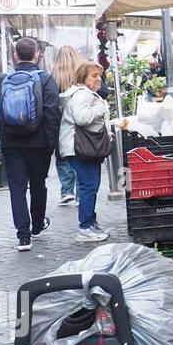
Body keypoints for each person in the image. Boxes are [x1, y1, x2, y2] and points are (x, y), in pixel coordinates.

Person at [0, 37, 61, 251]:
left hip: (11, 143)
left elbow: (0, 114)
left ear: (15, 55)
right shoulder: (46, 80)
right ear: (37, 55)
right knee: (38, 185)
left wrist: (4, 140)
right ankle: (37, 224)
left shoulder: (3, 80)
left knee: (16, 189)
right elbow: (52, 114)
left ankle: (23, 237)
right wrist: (51, 143)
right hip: (38, 143)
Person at [60, 61, 111, 244]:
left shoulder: (86, 94)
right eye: (94, 76)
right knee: (89, 185)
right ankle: (85, 227)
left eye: (100, 75)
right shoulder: (82, 95)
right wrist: (101, 108)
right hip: (80, 147)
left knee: (91, 185)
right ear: (83, 77)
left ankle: (90, 222)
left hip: (84, 147)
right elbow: (82, 119)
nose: (99, 79)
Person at [50, 46, 86, 205]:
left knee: (63, 155)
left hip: (60, 123)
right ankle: (80, 194)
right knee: (81, 155)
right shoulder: (83, 72)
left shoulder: (53, 76)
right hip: (80, 121)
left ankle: (66, 190)